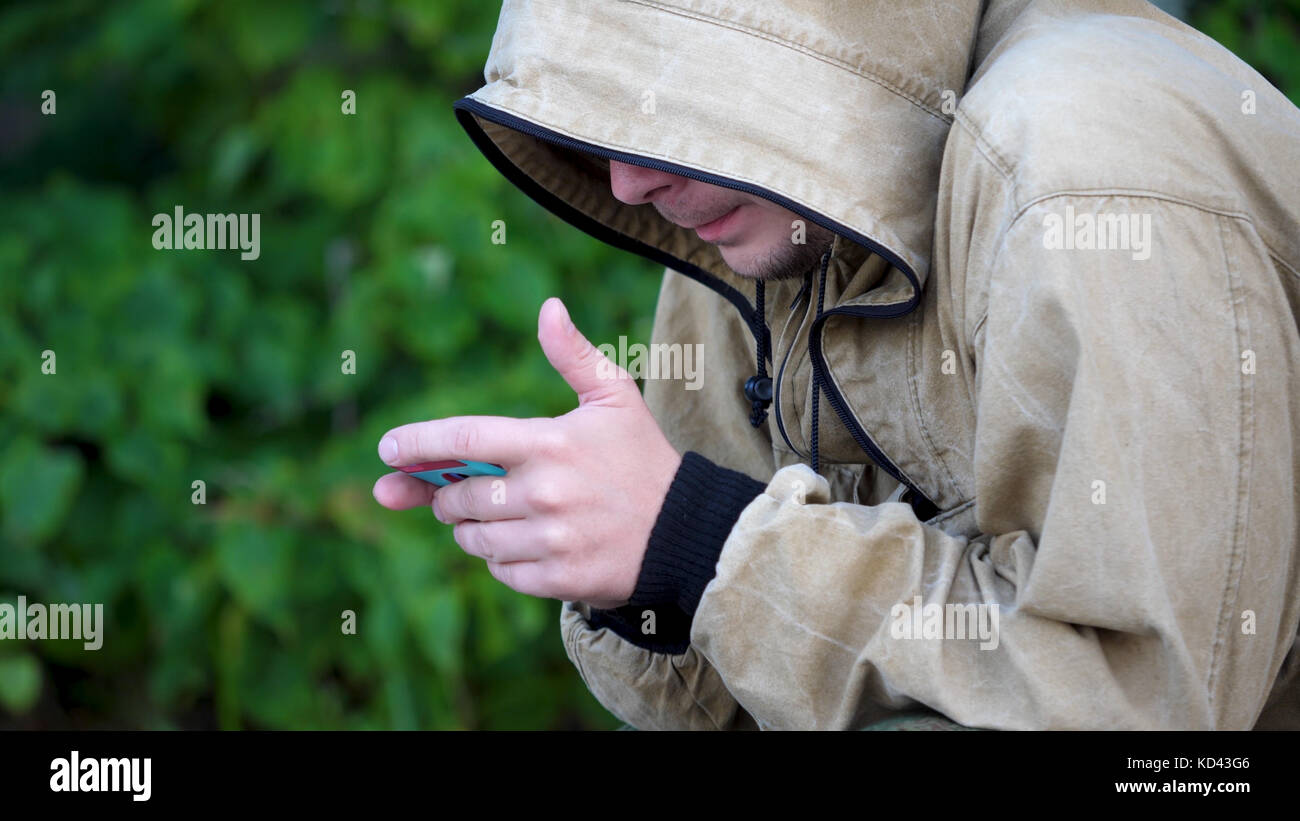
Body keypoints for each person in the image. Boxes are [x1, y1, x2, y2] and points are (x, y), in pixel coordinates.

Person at [372, 0, 1300, 730]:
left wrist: (698, 544)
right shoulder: (755, 214)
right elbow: (724, 706)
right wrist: (634, 576)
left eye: (658, 91)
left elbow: (1163, 740)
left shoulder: (1086, 182)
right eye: (602, 118)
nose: (628, 182)